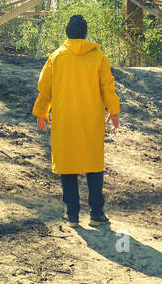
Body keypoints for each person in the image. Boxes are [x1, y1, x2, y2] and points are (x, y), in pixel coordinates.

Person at [33, 15, 120, 226]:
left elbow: (45, 87)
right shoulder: (99, 57)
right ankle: (96, 214)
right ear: (86, 33)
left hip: (65, 119)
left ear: (67, 33)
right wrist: (114, 111)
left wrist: (42, 111)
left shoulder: (56, 57)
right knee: (93, 163)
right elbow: (107, 87)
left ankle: (72, 215)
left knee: (67, 164)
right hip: (91, 119)